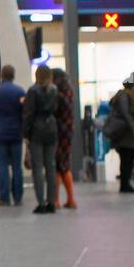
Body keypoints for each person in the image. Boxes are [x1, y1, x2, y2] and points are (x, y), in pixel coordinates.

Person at [22, 65, 59, 213]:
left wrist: (25, 134)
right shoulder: (54, 90)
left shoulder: (33, 90)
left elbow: (28, 114)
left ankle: (41, 203)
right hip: (52, 129)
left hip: (37, 131)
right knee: (51, 167)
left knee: (37, 168)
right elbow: (56, 109)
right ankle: (52, 202)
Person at [0, 64, 26, 206]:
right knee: (17, 167)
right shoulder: (20, 92)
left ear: (2, 75)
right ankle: (18, 197)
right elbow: (24, 113)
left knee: (3, 166)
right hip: (16, 134)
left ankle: (4, 197)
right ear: (13, 75)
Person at [110, 74, 134, 194]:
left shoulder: (129, 96)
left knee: (128, 159)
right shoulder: (124, 96)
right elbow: (125, 113)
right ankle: (125, 184)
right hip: (126, 134)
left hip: (128, 134)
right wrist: (133, 128)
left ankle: (126, 183)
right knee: (126, 159)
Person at [52, 67, 76, 209]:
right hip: (68, 133)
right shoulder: (70, 93)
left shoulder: (58, 95)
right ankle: (70, 199)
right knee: (65, 166)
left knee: (57, 167)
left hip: (58, 132)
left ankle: (56, 200)